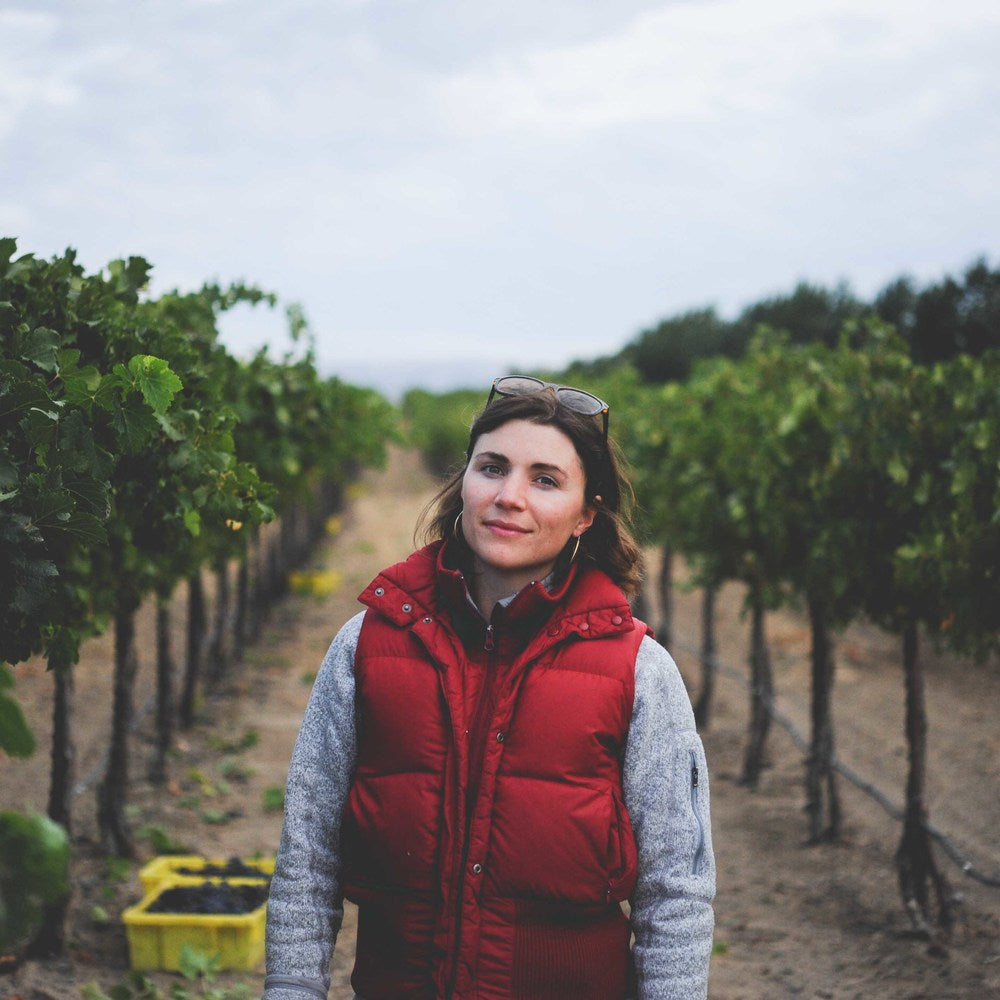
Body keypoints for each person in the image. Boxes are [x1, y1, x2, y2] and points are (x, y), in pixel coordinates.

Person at [262, 376, 716, 1000]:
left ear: (587, 514)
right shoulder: (367, 644)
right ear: (463, 484)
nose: (510, 496)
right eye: (492, 468)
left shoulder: (640, 672)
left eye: (546, 479)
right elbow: (307, 860)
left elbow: (674, 895)